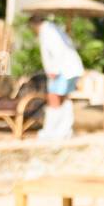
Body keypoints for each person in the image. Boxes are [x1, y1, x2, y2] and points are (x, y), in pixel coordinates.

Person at [30, 10, 83, 141]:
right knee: (63, 99)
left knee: (54, 98)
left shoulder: (47, 32)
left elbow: (57, 50)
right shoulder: (54, 28)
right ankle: (63, 130)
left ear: (34, 24)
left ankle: (54, 132)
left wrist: (54, 69)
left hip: (62, 70)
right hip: (70, 68)